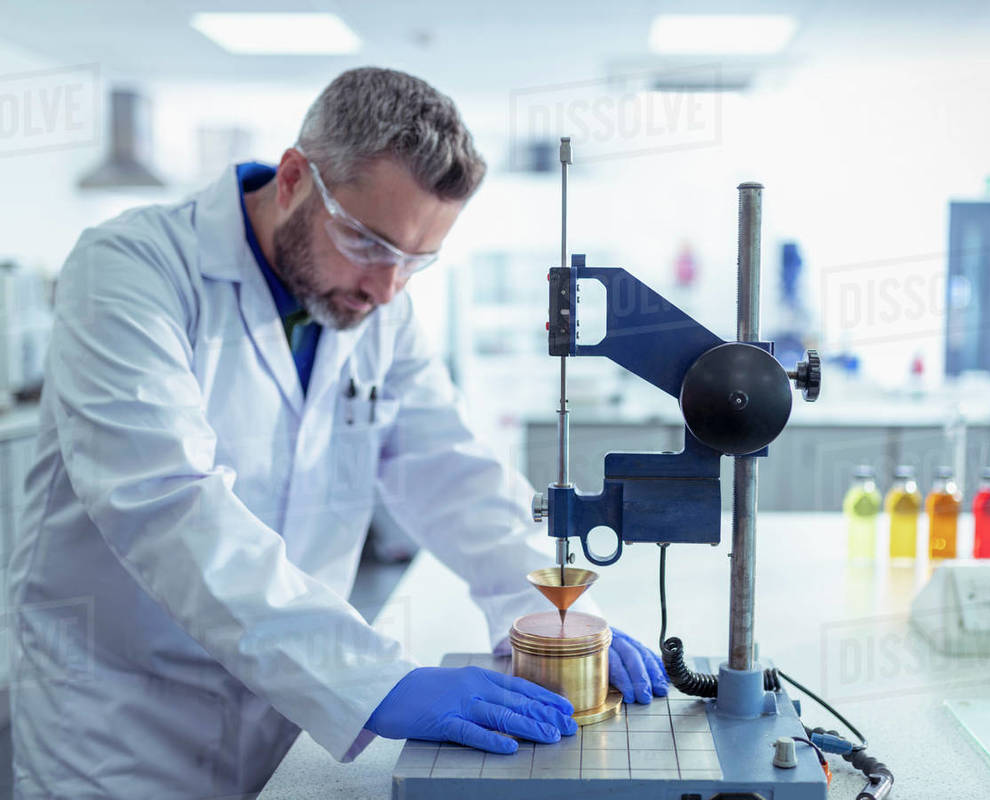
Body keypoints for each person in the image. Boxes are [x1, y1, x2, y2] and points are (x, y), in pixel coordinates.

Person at [8, 67, 668, 799]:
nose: (386, 289)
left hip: (284, 718)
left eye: (416, 262)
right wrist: (375, 680)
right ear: (293, 178)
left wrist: (550, 615)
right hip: (121, 729)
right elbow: (167, 504)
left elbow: (451, 469)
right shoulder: (131, 270)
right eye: (368, 243)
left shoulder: (378, 312)